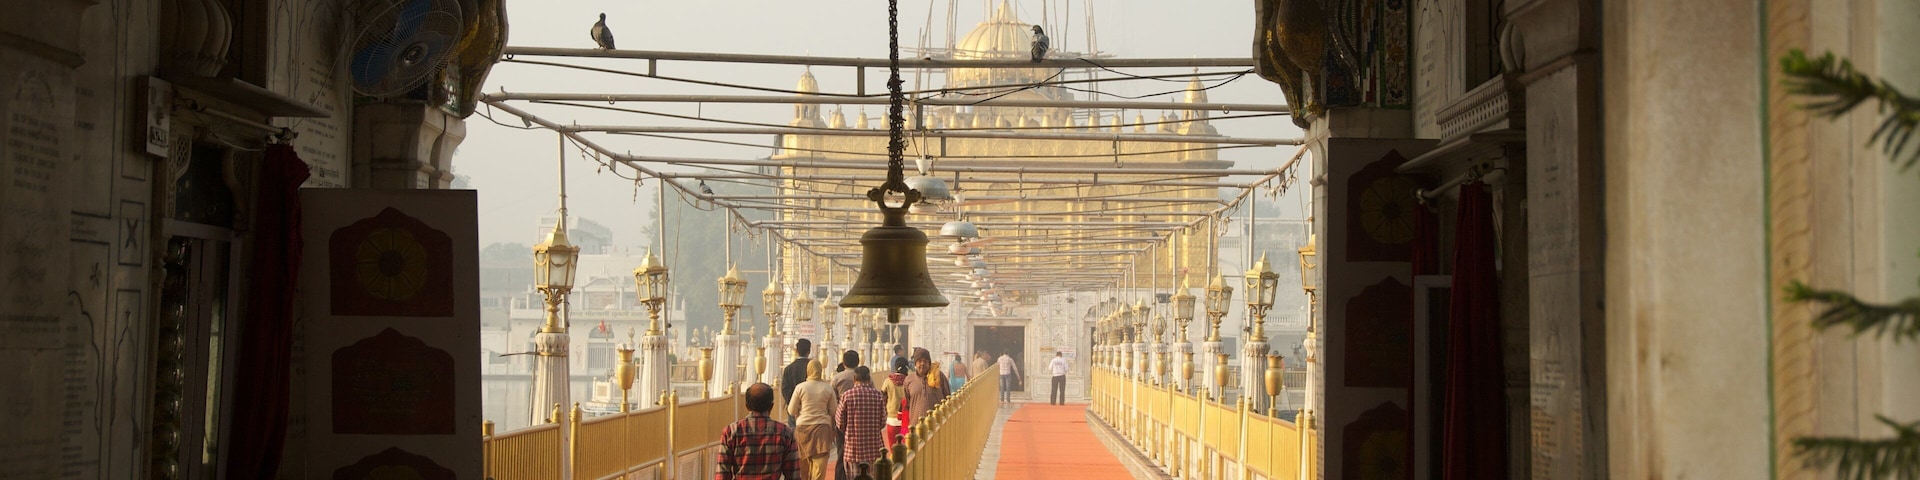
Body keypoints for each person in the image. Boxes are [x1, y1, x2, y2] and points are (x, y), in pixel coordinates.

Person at [716, 383, 801, 480]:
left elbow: (722, 474)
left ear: (747, 406)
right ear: (771, 406)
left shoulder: (731, 432)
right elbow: (793, 474)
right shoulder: (785, 433)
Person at [786, 359, 838, 480]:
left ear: (808, 371)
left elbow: (791, 410)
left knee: (804, 466)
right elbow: (834, 411)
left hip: (803, 429)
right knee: (819, 466)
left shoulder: (800, 388)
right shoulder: (828, 388)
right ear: (821, 370)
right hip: (822, 429)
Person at [835, 366, 887, 478]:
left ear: (854, 379)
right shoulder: (878, 395)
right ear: (869, 379)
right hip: (873, 449)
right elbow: (883, 422)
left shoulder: (847, 396)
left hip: (853, 449)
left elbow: (839, 422)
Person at [826, 350, 860, 480]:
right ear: (858, 362)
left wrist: (833, 422)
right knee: (859, 450)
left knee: (841, 451)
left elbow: (832, 401)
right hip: (860, 418)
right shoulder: (863, 376)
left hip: (842, 419)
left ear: (844, 363)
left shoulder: (837, 378)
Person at [904, 347, 950, 424]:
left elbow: (948, 398)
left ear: (929, 363)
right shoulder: (908, 380)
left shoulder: (938, 376)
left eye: (925, 361)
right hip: (916, 426)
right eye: (919, 361)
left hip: (937, 424)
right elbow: (908, 402)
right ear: (915, 363)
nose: (922, 363)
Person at [780, 339, 814, 427]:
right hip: (810, 408)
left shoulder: (789, 368)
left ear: (797, 351)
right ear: (809, 351)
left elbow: (784, 389)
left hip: (793, 409)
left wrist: (792, 403)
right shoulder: (813, 368)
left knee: (794, 435)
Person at [879, 358, 910, 448]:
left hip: (891, 418)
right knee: (905, 448)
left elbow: (882, 398)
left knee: (893, 447)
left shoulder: (888, 381)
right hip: (906, 419)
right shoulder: (908, 381)